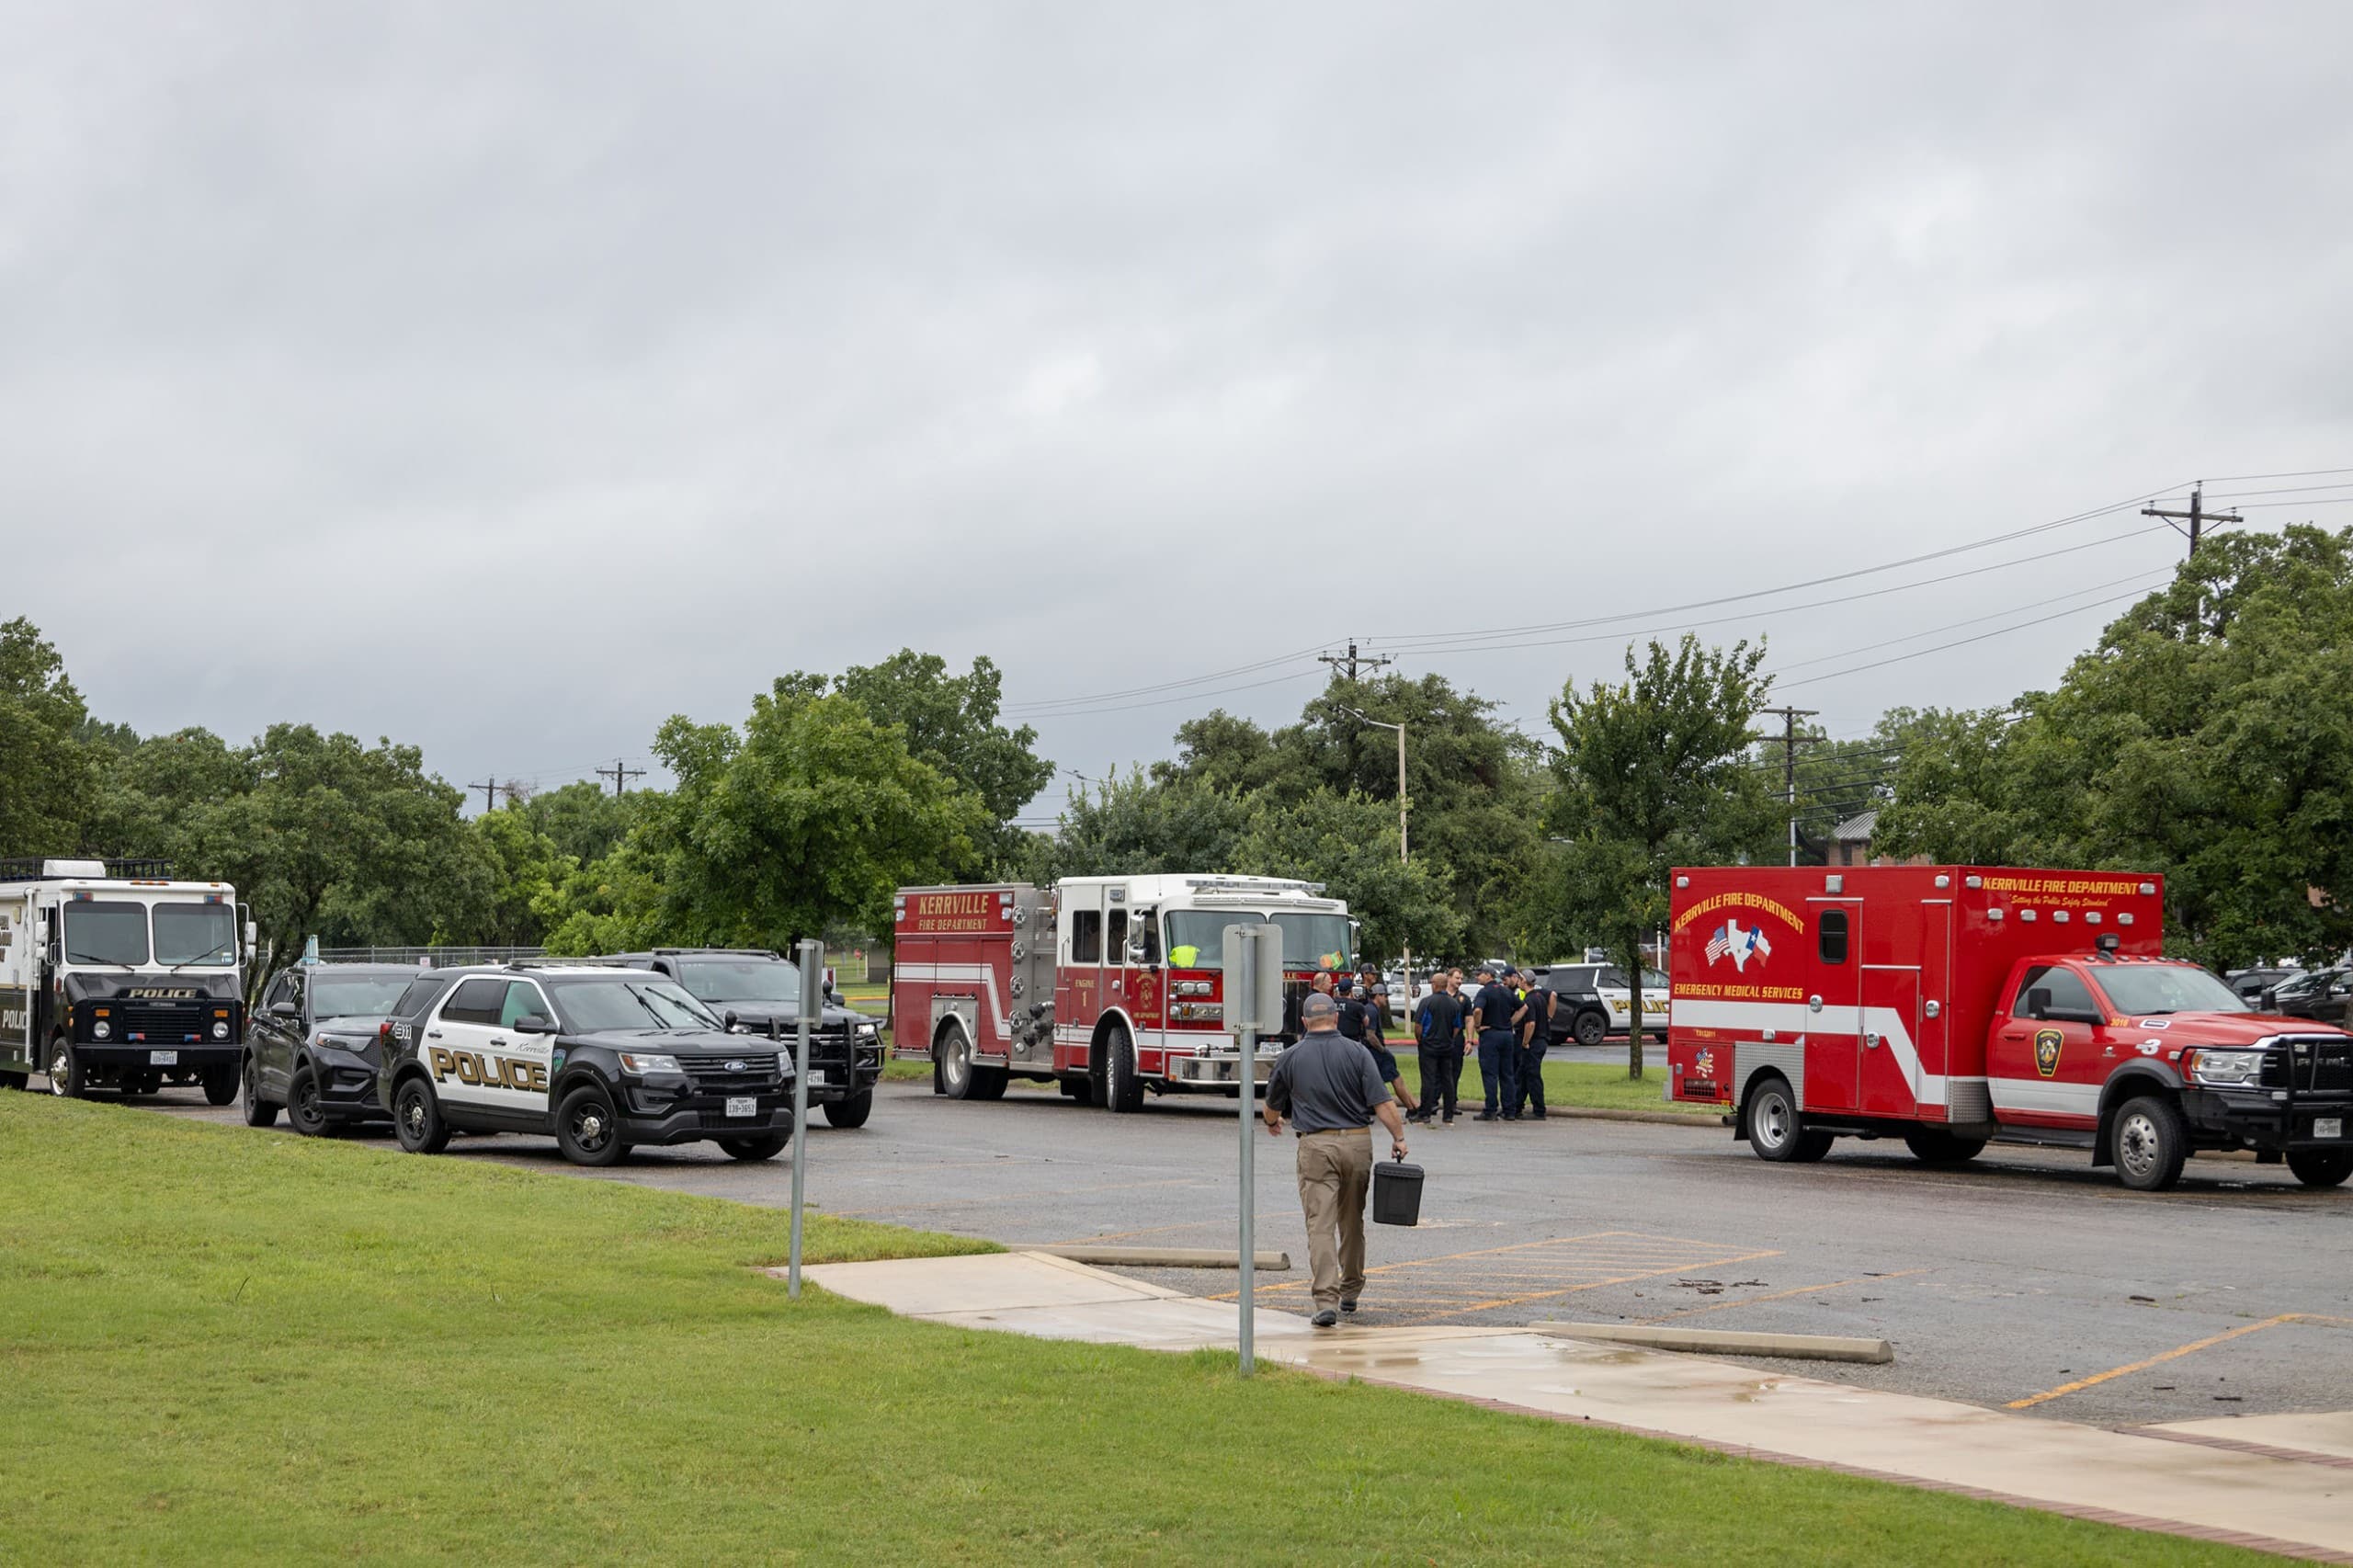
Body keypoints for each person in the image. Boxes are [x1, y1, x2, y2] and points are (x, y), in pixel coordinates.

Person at [1264, 991, 1410, 1327]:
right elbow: (1383, 1103)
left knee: (1320, 1225)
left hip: (1316, 1146)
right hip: (1357, 1143)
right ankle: (1351, 1291)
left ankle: (1325, 1301)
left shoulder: (1291, 1057)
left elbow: (1272, 1105)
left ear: (1304, 1022)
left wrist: (1272, 1122)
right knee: (1351, 1221)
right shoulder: (1358, 1053)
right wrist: (1399, 1138)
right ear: (1334, 1018)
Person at [1410, 973, 1464, 1124]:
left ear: (1434, 985)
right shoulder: (1454, 1004)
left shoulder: (1427, 1002)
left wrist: (1420, 1039)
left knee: (1428, 1079)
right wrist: (1449, 1038)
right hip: (1447, 1046)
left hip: (1429, 1046)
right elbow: (1457, 1026)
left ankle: (1425, 1113)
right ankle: (1448, 1114)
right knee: (1448, 1079)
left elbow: (1419, 1025)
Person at [1470, 965, 1522, 1121]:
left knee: (1490, 1074)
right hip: (1507, 1035)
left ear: (1488, 975)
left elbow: (1477, 1011)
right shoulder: (1506, 991)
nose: (1477, 977)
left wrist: (1478, 1026)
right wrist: (1510, 1023)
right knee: (1507, 1074)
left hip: (1490, 1035)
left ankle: (1490, 1109)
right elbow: (1523, 1007)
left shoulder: (1484, 992)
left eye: (1479, 975)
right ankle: (1509, 1110)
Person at [1513, 977, 1555, 1119]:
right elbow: (1553, 998)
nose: (1518, 983)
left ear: (1524, 982)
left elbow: (1530, 1023)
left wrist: (1525, 1042)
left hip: (1534, 1042)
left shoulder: (1529, 1000)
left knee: (1532, 1076)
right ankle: (1516, 1107)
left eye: (1520, 980)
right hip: (1542, 1040)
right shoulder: (1540, 997)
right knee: (1523, 1074)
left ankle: (1539, 1110)